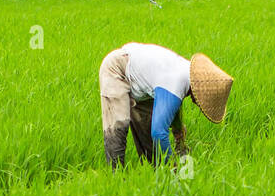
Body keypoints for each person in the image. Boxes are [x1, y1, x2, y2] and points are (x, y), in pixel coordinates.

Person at [99, 43, 233, 167]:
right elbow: (158, 132)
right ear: (198, 92)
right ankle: (115, 175)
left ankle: (152, 175)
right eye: (201, 101)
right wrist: (172, 166)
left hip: (143, 79)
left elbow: (173, 106)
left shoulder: (186, 74)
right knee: (117, 129)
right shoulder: (175, 83)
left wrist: (178, 133)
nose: (197, 103)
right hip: (117, 69)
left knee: (149, 140)